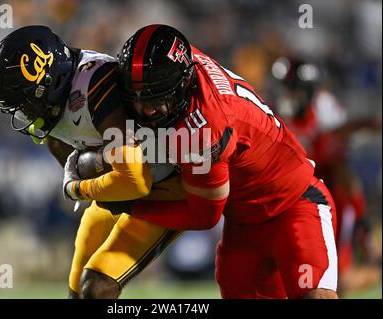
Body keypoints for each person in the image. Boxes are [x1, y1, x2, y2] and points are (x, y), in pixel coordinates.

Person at [114, 24, 339, 299]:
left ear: (181, 84)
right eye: (135, 97)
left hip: (293, 206)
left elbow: (204, 216)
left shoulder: (206, 127)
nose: (144, 109)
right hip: (243, 224)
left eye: (155, 97)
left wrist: (132, 206)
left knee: (315, 297)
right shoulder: (181, 63)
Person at [0, 25, 184, 299]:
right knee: (77, 293)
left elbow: (135, 181)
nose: (24, 114)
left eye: (26, 104)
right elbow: (59, 141)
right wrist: (96, 183)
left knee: (96, 288)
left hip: (168, 186)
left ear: (50, 81)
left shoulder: (95, 83)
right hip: (126, 186)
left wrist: (75, 189)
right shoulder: (49, 104)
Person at [270, 56, 381, 294]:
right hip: (292, 201)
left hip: (330, 203)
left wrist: (362, 221)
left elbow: (342, 169)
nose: (288, 96)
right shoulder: (277, 115)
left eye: (294, 90)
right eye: (286, 89)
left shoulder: (325, 114)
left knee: (337, 283)